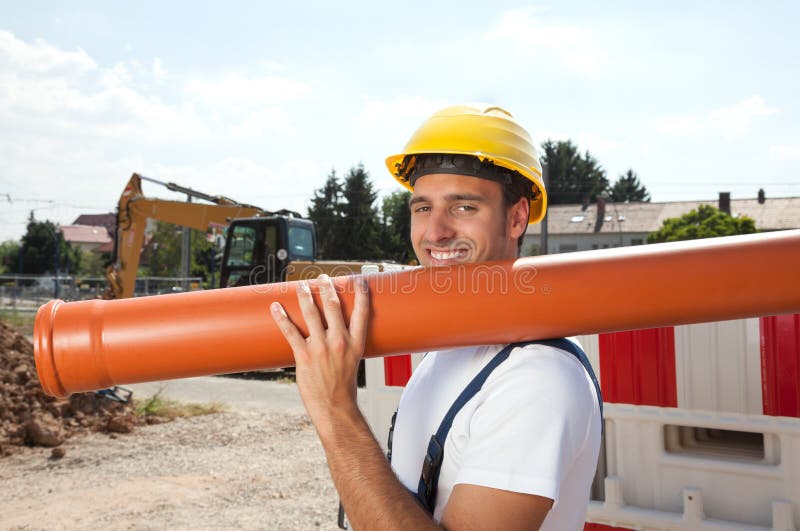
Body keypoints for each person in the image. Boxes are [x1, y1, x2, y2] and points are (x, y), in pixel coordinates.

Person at [270, 104, 602, 530]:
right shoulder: (457, 343)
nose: (434, 232)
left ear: (517, 217)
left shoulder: (538, 377)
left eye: (463, 207)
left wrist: (336, 410)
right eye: (423, 208)